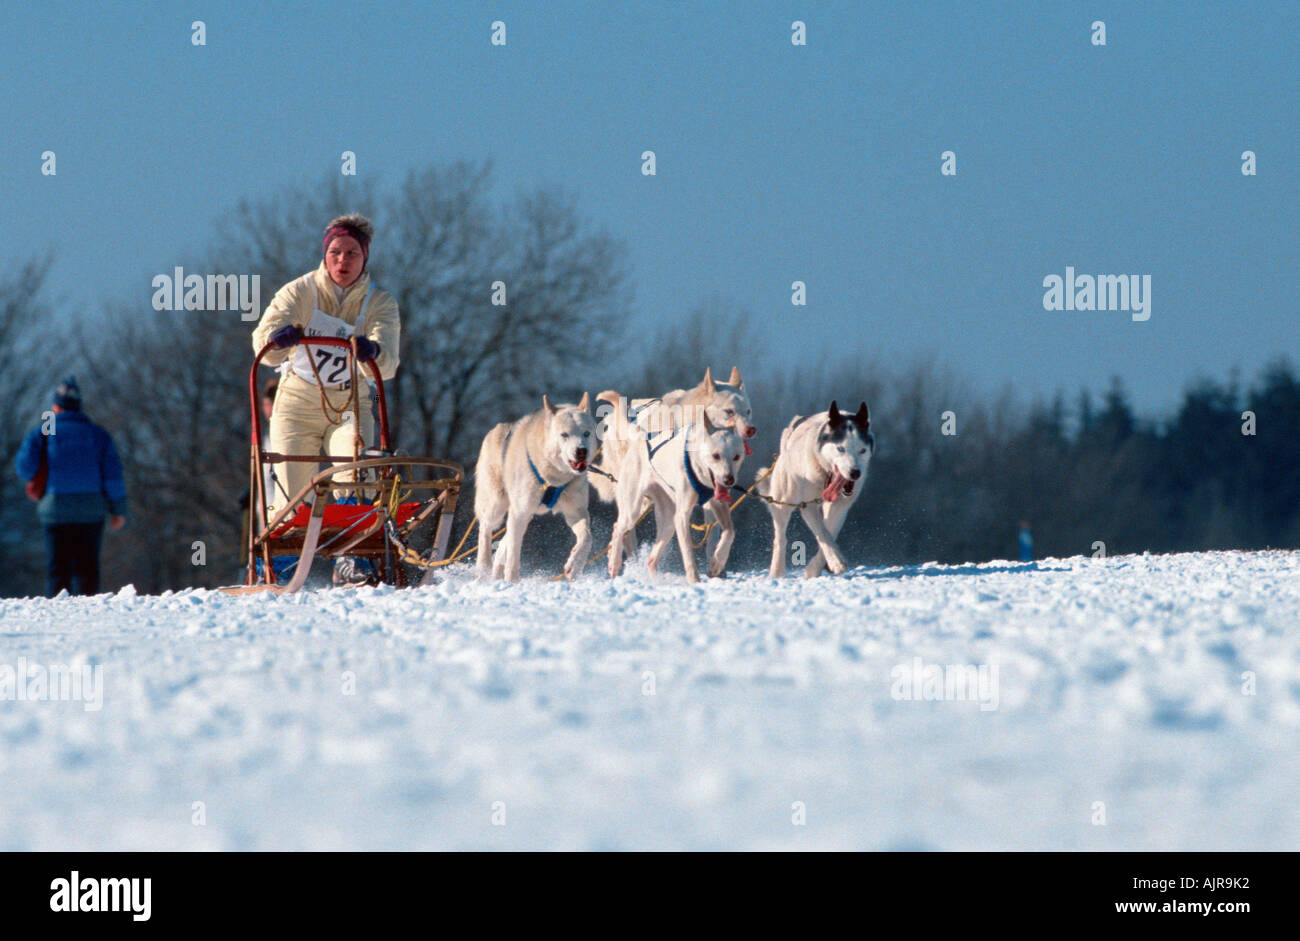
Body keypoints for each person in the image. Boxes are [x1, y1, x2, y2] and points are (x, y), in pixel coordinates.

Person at [250, 215, 400, 583]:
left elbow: (390, 363)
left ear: (365, 258)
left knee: (356, 470)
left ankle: (354, 560)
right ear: (325, 255)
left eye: (351, 253)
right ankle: (279, 569)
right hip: (297, 403)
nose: (342, 261)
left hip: (349, 405)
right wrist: (277, 339)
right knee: (290, 488)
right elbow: (262, 345)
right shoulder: (299, 292)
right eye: (335, 252)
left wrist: (372, 350)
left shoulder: (379, 302)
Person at [14, 377, 128, 597]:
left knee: (58, 570)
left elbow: (25, 468)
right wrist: (118, 510)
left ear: (56, 406)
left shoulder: (44, 433)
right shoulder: (98, 435)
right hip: (91, 511)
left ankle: (57, 619)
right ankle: (90, 618)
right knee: (88, 570)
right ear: (79, 406)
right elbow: (113, 477)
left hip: (55, 510)